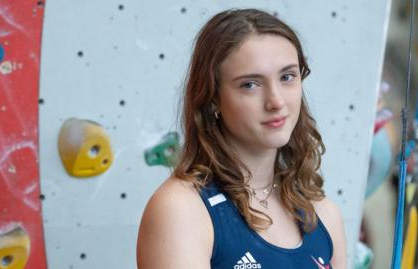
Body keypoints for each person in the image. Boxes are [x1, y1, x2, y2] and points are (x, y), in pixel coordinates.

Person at [137, 8, 347, 269]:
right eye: (250, 84)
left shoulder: (324, 214)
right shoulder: (181, 210)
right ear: (213, 97)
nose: (276, 101)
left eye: (287, 77)